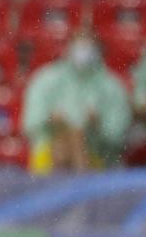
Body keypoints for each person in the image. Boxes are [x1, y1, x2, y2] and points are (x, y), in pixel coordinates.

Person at [22, 33, 131, 174]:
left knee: (78, 138)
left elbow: (118, 138)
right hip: (49, 152)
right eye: (80, 47)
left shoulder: (113, 86)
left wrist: (96, 127)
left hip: (97, 156)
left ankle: (76, 183)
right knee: (66, 140)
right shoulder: (45, 79)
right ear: (69, 48)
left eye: (88, 48)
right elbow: (30, 124)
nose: (84, 53)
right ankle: (76, 183)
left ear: (99, 50)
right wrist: (50, 121)